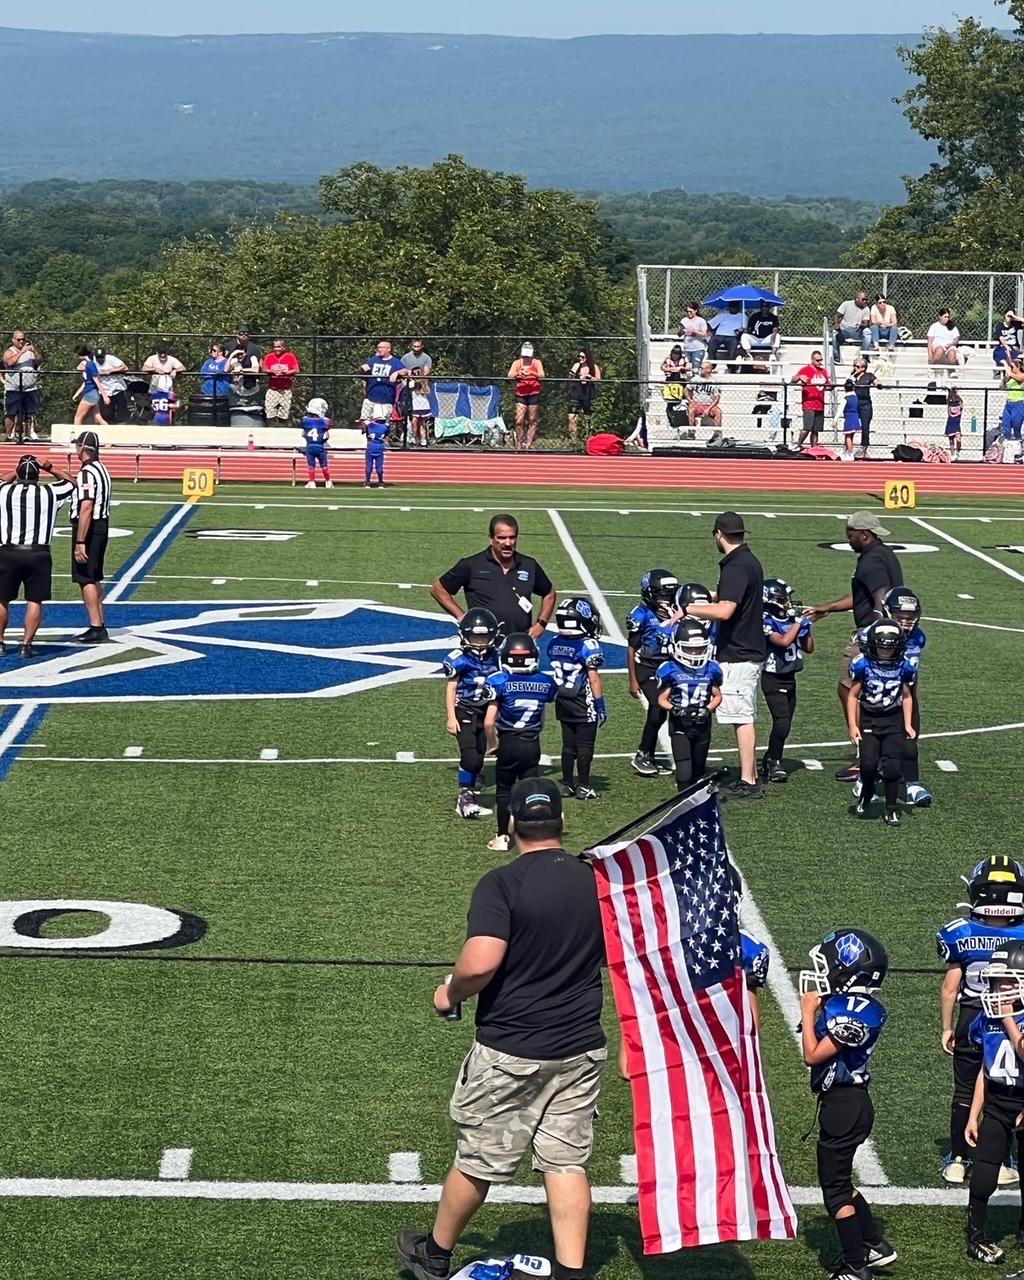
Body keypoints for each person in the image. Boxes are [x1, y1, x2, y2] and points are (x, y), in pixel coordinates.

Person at [398, 776, 606, 1280]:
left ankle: (437, 1252)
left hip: (513, 1047)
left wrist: (450, 993)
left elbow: (481, 960)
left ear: (511, 823)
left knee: (481, 1157)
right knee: (565, 1160)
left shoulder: (502, 884)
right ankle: (571, 1272)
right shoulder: (596, 881)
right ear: (563, 820)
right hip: (580, 1045)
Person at [798, 928, 894, 1280]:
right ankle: (873, 1244)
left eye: (830, 966)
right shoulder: (851, 1005)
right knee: (841, 1181)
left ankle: (856, 1265)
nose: (824, 973)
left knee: (835, 1190)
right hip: (849, 1104)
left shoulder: (854, 1011)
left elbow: (813, 1054)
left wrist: (809, 1013)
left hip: (845, 1106)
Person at [937, 856, 1024, 1189]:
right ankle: (1001, 1161)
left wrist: (947, 1027)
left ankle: (958, 1160)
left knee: (963, 1091)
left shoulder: (961, 933)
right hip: (1011, 1021)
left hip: (971, 1019)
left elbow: (949, 989)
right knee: (1006, 1090)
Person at [803, 510, 903, 783]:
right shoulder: (884, 555)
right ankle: (879, 753)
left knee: (852, 690)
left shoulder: (871, 562)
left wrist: (871, 637)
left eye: (851, 536)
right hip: (884, 634)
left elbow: (879, 603)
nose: (848, 542)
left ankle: (867, 755)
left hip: (871, 636)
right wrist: (830, 607)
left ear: (864, 534)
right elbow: (863, 596)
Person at [683, 512, 766, 800]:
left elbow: (726, 610)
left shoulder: (736, 566)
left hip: (740, 652)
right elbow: (732, 597)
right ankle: (750, 775)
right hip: (747, 648)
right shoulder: (748, 561)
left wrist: (689, 610)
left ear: (719, 534)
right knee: (742, 714)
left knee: (741, 717)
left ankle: (748, 780)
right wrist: (705, 595)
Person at [963, 940, 1024, 1265]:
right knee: (985, 1168)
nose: (1001, 988)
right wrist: (974, 1114)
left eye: (1010, 981)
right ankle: (976, 1235)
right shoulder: (986, 1018)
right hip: (999, 1102)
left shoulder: (1011, 1017)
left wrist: (1010, 1020)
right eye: (998, 981)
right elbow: (985, 1070)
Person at [483, 633, 558, 853]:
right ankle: (533, 836)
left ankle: (502, 836)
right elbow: (542, 717)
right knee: (531, 791)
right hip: (532, 743)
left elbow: (489, 722)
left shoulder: (500, 681)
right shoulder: (545, 682)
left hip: (509, 742)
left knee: (504, 791)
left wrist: (492, 745)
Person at [431, 515, 557, 642]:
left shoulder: (529, 565)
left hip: (519, 644)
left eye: (512, 537)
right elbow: (438, 589)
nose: (508, 543)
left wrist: (541, 623)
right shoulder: (472, 565)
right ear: (491, 539)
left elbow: (549, 593)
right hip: (481, 644)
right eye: (501, 538)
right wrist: (462, 617)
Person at [0, 455, 74, 658]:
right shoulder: (49, 491)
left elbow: (3, 480)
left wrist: (19, 469)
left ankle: (0, 642)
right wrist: (49, 467)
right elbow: (72, 483)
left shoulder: (4, 491)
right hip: (38, 553)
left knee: (2, 599)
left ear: (18, 473)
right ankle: (26, 645)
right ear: (37, 474)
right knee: (34, 600)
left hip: (9, 551)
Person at [847, 619, 916, 828]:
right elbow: (853, 696)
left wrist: (908, 724)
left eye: (890, 648)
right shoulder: (863, 664)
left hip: (892, 719)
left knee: (893, 768)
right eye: (882, 647)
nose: (885, 652)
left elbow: (906, 696)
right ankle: (867, 795)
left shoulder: (904, 666)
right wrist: (853, 725)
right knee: (867, 766)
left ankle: (891, 809)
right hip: (870, 718)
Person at [444, 607, 501, 821]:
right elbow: (451, 688)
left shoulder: (497, 657)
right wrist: (451, 716)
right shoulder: (459, 659)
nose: (479, 640)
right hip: (465, 709)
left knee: (478, 755)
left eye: (483, 635)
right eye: (475, 635)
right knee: (471, 756)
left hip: (487, 712)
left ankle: (470, 791)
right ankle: (464, 797)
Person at [548, 597, 606, 801]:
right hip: (583, 700)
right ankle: (583, 785)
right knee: (585, 746)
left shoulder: (554, 642)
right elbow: (594, 679)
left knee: (568, 745)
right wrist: (600, 704)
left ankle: (567, 784)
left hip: (563, 699)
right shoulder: (588, 645)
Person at [626, 567, 680, 778]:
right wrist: (632, 680)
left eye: (668, 594)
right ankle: (643, 754)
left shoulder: (677, 610)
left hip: (670, 667)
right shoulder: (641, 615)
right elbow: (631, 647)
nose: (665, 598)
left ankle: (650, 754)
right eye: (661, 594)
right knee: (657, 707)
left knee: (665, 712)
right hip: (647, 667)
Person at [656, 618, 723, 790]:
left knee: (698, 769)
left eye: (699, 649)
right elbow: (661, 699)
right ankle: (682, 801)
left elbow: (717, 696)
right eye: (690, 649)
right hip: (681, 724)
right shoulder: (670, 669)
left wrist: (708, 709)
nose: (694, 653)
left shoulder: (711, 668)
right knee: (684, 771)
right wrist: (675, 709)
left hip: (702, 723)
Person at [879, 587, 930, 807]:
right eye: (901, 617)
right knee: (876, 747)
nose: (907, 622)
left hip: (906, 698)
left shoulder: (917, 637)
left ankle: (913, 784)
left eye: (910, 617)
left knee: (910, 744)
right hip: (879, 699)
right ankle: (866, 783)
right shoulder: (875, 634)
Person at [760, 578, 813, 783]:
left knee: (786, 724)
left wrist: (807, 628)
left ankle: (770, 759)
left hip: (790, 677)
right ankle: (774, 762)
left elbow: (809, 648)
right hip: (773, 678)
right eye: (783, 600)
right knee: (781, 722)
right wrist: (798, 624)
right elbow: (782, 642)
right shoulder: (765, 621)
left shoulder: (791, 621)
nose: (788, 603)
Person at [69, 429, 112, 645]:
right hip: (101, 525)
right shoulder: (101, 469)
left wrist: (79, 541)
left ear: (82, 448)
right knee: (93, 577)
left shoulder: (86, 472)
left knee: (85, 577)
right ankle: (100, 623)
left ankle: (96, 627)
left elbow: (86, 506)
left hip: (90, 528)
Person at [3, 331, 42, 441]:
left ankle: (27, 435)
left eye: (23, 339)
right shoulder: (9, 352)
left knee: (29, 412)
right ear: (13, 340)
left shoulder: (30, 352)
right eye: (19, 339)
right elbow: (9, 363)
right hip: (14, 387)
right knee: (11, 412)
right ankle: (9, 435)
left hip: (29, 387)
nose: (21, 341)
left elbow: (39, 361)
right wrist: (21, 352)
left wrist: (34, 351)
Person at [507, 343, 546, 450]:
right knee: (519, 420)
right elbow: (509, 375)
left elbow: (542, 375)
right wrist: (519, 373)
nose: (526, 358)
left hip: (534, 393)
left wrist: (531, 373)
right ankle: (519, 444)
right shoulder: (517, 363)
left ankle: (528, 444)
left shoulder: (537, 362)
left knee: (532, 419)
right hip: (521, 394)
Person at [360, 339, 404, 428]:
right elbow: (365, 371)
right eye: (378, 347)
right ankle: (369, 440)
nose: (379, 349)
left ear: (388, 349)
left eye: (381, 347)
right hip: (370, 397)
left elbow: (406, 371)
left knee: (380, 423)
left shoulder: (395, 362)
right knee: (365, 422)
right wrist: (363, 370)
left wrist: (397, 373)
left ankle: (382, 440)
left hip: (385, 399)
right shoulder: (374, 360)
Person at [792, 351, 831, 447]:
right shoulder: (805, 369)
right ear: (812, 360)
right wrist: (799, 377)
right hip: (809, 404)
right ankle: (798, 445)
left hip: (820, 404)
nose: (819, 362)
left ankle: (814, 448)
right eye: (817, 360)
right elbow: (793, 380)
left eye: (821, 360)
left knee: (816, 430)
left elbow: (828, 386)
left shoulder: (824, 371)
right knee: (807, 428)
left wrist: (832, 385)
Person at [401, 339, 434, 447]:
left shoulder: (426, 358)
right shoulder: (406, 358)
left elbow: (426, 372)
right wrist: (409, 377)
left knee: (422, 419)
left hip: (421, 389)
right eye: (414, 346)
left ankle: (423, 438)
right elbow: (402, 371)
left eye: (418, 346)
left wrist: (419, 380)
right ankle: (410, 436)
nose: (416, 349)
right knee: (412, 418)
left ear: (422, 346)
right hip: (409, 389)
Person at [262, 338, 300, 425]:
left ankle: (282, 428)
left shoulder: (289, 356)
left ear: (283, 347)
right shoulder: (269, 356)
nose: (276, 349)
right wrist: (272, 371)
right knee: (269, 410)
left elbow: (296, 369)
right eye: (275, 347)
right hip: (273, 388)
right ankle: (271, 428)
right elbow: (264, 369)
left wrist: (285, 373)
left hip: (285, 388)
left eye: (279, 347)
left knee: (284, 412)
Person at [567, 350, 601, 442]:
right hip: (576, 392)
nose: (580, 358)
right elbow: (570, 377)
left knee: (588, 417)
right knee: (572, 417)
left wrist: (589, 377)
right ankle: (573, 440)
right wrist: (578, 377)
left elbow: (598, 380)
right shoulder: (576, 365)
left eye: (583, 357)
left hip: (588, 393)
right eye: (579, 356)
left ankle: (588, 439)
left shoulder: (594, 367)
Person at [72, 345, 110, 427]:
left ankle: (76, 437)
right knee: (98, 419)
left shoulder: (90, 364)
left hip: (91, 394)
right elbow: (86, 382)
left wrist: (104, 396)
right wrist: (77, 394)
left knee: (78, 418)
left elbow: (97, 381)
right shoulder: (88, 365)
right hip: (91, 394)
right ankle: (112, 434)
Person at [850, 357, 880, 459]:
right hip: (854, 403)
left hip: (865, 404)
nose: (855, 368)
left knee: (865, 426)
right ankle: (849, 448)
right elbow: (846, 386)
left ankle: (864, 448)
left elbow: (875, 381)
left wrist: (878, 384)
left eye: (857, 367)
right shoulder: (852, 377)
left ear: (863, 368)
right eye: (854, 366)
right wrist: (852, 377)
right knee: (850, 426)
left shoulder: (868, 376)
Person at [301, 397, 333, 489]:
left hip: (310, 446)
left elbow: (303, 434)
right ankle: (328, 481)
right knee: (324, 465)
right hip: (320, 446)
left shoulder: (305, 420)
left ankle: (312, 482)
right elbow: (327, 434)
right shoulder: (325, 422)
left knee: (311, 465)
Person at [832, 291, 872, 362]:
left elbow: (866, 323)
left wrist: (862, 325)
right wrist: (836, 324)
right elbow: (837, 315)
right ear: (857, 299)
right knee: (834, 333)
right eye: (863, 299)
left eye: (866, 299)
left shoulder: (866, 309)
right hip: (844, 330)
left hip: (857, 331)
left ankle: (865, 356)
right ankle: (836, 358)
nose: (865, 301)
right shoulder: (846, 304)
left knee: (867, 332)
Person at [94, 347, 129, 424]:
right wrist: (96, 371)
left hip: (117, 387)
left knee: (122, 411)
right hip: (104, 390)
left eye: (102, 357)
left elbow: (124, 367)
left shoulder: (111, 359)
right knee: (107, 413)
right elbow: (80, 367)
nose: (100, 359)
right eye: (98, 357)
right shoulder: (92, 361)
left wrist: (110, 371)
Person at [686, 362, 723, 429]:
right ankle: (691, 431)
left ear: (708, 370)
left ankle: (717, 433)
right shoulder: (695, 379)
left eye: (702, 368)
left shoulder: (714, 382)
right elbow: (686, 389)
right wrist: (690, 400)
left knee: (718, 412)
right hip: (697, 404)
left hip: (709, 405)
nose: (700, 369)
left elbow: (717, 398)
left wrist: (708, 408)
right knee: (691, 409)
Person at [678, 301, 709, 375]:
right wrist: (683, 331)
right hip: (687, 348)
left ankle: (695, 384)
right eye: (687, 311)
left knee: (696, 369)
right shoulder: (684, 320)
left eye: (691, 311)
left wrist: (695, 331)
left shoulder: (701, 321)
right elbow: (679, 334)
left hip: (698, 348)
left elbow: (705, 334)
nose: (689, 313)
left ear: (695, 311)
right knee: (687, 369)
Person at [1001, 355, 1024, 452]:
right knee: (1006, 426)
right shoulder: (1011, 377)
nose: (1011, 369)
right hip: (1008, 404)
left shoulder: (1022, 376)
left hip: (1018, 404)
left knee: (1016, 426)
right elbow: (1002, 387)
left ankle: (1019, 448)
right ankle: (1007, 449)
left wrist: (1006, 365)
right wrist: (1005, 380)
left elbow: (1019, 379)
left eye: (1013, 367)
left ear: (1018, 367)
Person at [363, 414, 389, 489]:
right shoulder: (385, 427)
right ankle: (380, 482)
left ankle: (367, 482)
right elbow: (387, 433)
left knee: (369, 465)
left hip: (371, 445)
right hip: (380, 445)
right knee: (379, 466)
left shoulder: (369, 425)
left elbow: (365, 431)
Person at [841, 379, 860, 459]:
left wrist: (835, 419)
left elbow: (840, 409)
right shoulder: (856, 397)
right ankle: (845, 451)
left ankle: (850, 453)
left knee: (848, 436)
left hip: (849, 417)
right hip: (855, 416)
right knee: (850, 435)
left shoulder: (845, 398)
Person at [945, 386, 964, 458]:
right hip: (950, 423)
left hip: (956, 424)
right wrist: (950, 392)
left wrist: (956, 394)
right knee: (951, 439)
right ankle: (952, 453)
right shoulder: (949, 405)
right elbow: (948, 400)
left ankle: (958, 452)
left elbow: (961, 401)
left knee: (958, 439)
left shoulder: (960, 406)